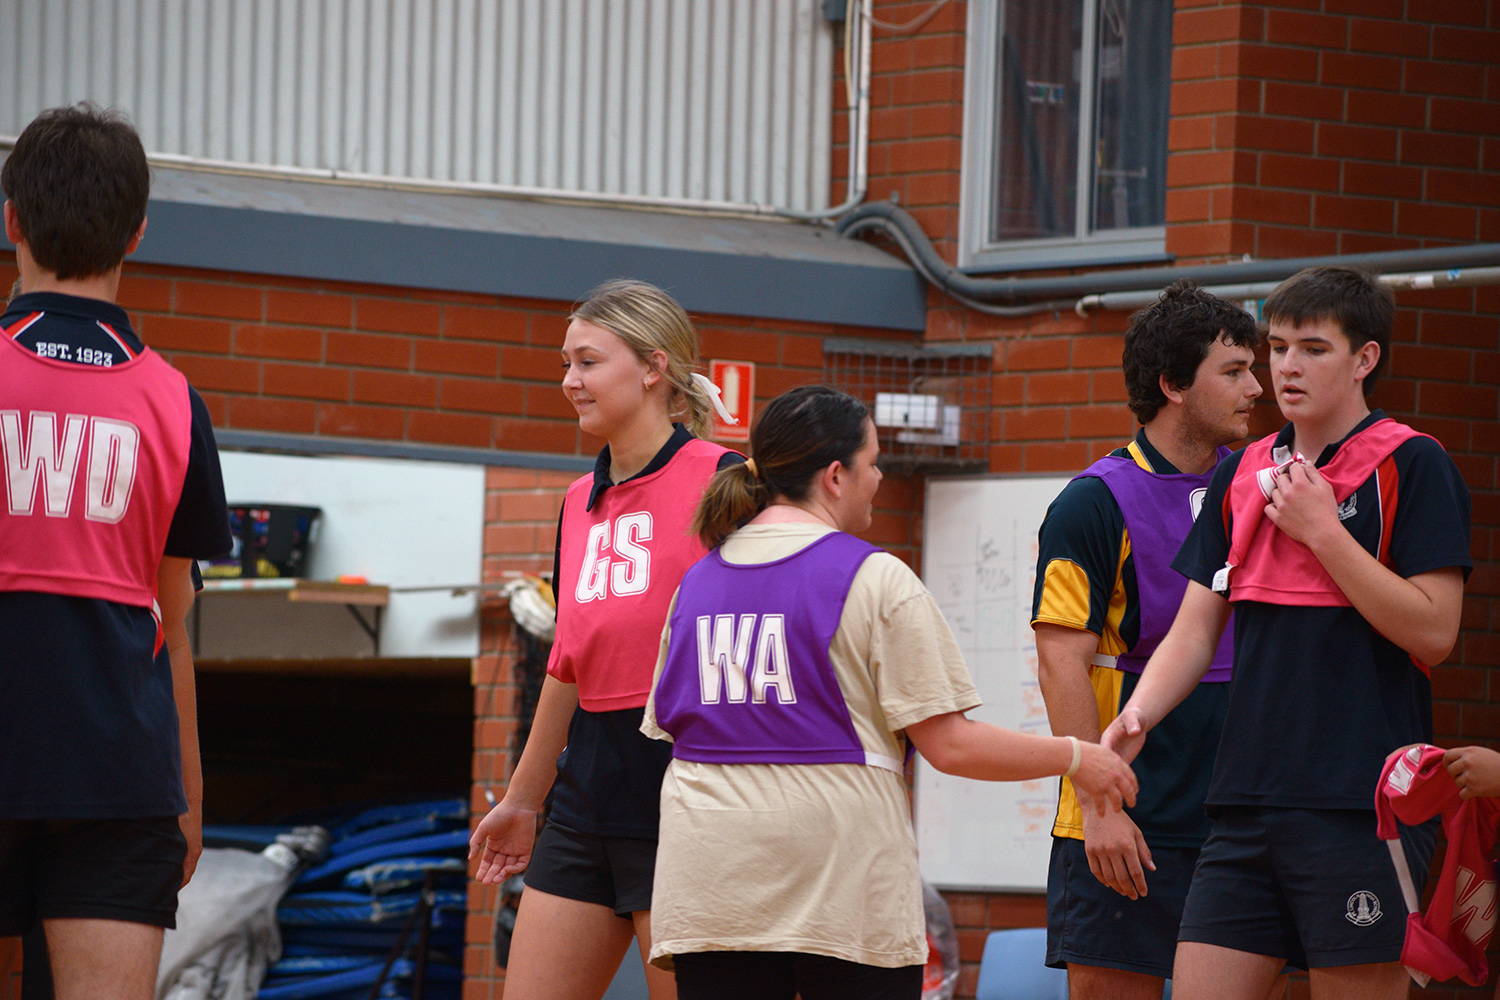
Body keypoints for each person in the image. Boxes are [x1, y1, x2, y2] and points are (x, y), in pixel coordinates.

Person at [640, 386, 1139, 1000]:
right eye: (873, 463)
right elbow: (951, 746)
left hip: (708, 891)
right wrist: (1077, 755)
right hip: (839, 896)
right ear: (835, 476)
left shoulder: (694, 585)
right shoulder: (874, 577)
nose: (879, 478)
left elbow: (670, 736)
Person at [1102, 266, 1472, 1000]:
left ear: (1364, 359)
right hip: (1242, 807)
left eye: (1313, 348)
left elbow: (1435, 631)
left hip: (1363, 808)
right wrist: (1138, 712)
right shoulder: (1241, 473)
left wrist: (1324, 534)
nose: (1287, 367)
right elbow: (1193, 633)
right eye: (1277, 348)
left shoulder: (1414, 462)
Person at [0, 104, 232, 1000]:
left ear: (12, 221)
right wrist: (190, 796)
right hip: (121, 780)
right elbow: (172, 622)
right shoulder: (174, 402)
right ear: (137, 231)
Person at [469, 279, 742, 1000]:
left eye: (588, 362)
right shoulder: (575, 501)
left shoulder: (726, 482)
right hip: (587, 791)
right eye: (566, 363)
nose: (570, 381)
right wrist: (523, 799)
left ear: (653, 368)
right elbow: (568, 661)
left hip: (689, 789)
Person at [1033, 280, 1263, 999]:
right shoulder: (1091, 502)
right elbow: (1059, 662)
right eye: (1234, 371)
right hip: (1129, 812)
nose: (1256, 388)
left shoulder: (1266, 489)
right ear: (1172, 385)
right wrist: (1100, 810)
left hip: (1242, 811)